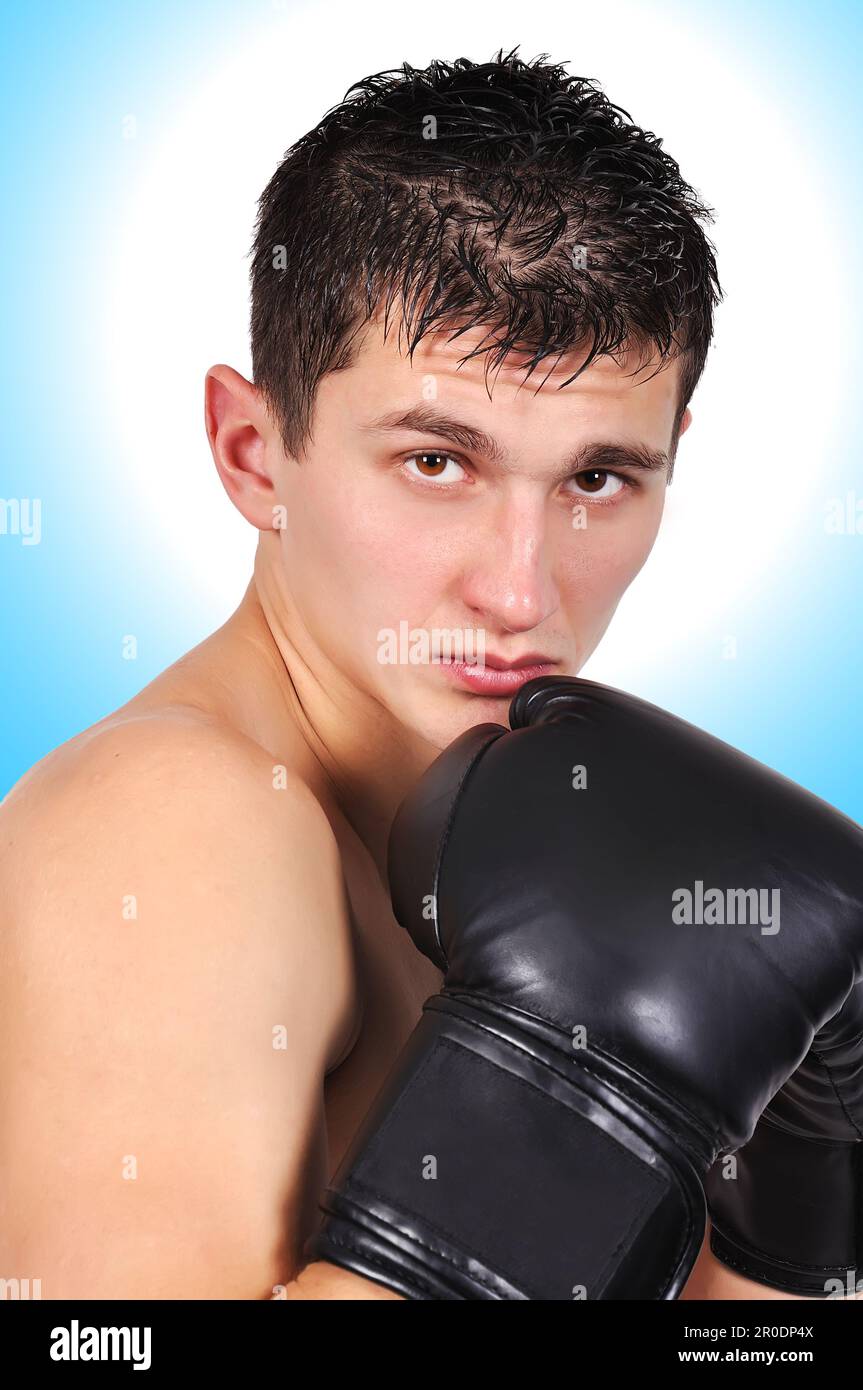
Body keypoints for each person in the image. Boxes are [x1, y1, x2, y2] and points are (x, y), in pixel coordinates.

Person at [0, 49, 816, 1299]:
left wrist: (800, 1225)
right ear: (252, 451)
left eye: (596, 477)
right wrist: (551, 1105)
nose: (519, 589)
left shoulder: (525, 853)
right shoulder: (176, 826)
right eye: (438, 461)